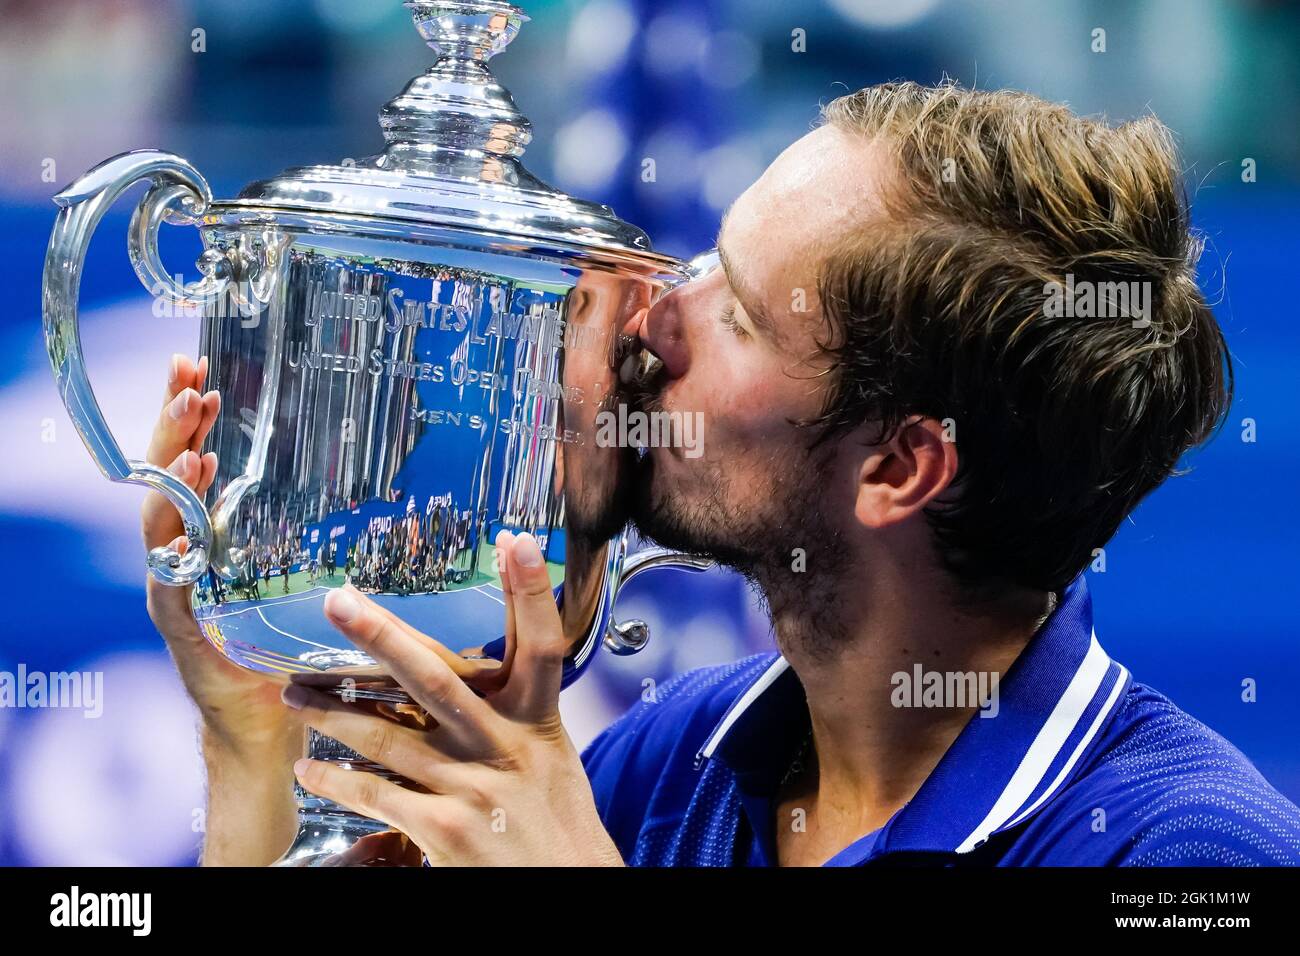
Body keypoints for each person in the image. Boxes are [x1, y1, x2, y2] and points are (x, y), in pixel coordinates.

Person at [141, 82, 1300, 866]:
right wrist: (255, 748)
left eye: (737, 311)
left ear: (896, 465)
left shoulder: (1186, 848)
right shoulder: (681, 749)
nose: (652, 313)